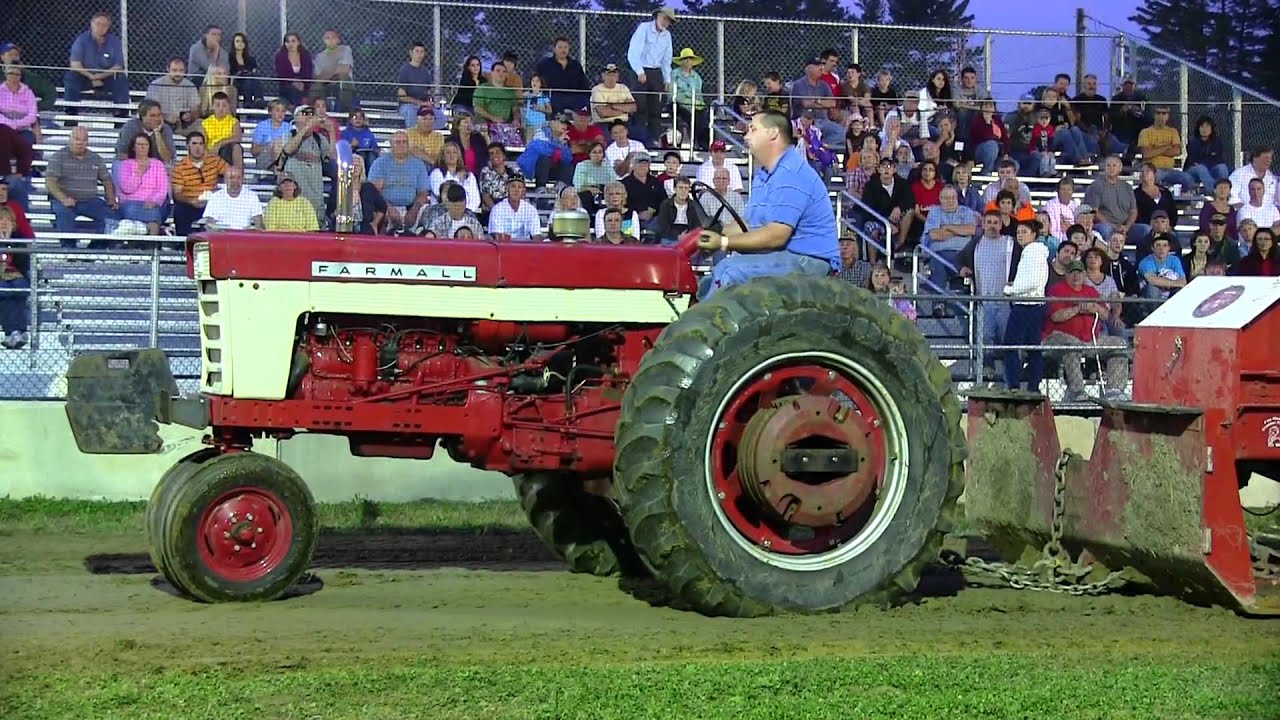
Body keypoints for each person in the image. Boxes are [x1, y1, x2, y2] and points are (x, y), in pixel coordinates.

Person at [695, 110, 839, 299]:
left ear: (773, 133)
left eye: (753, 129)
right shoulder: (764, 175)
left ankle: (708, 327)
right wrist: (709, 236)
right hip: (787, 254)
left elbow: (777, 235)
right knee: (709, 280)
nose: (746, 136)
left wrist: (723, 242)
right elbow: (748, 223)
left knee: (728, 270)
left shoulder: (791, 173)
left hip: (809, 259)